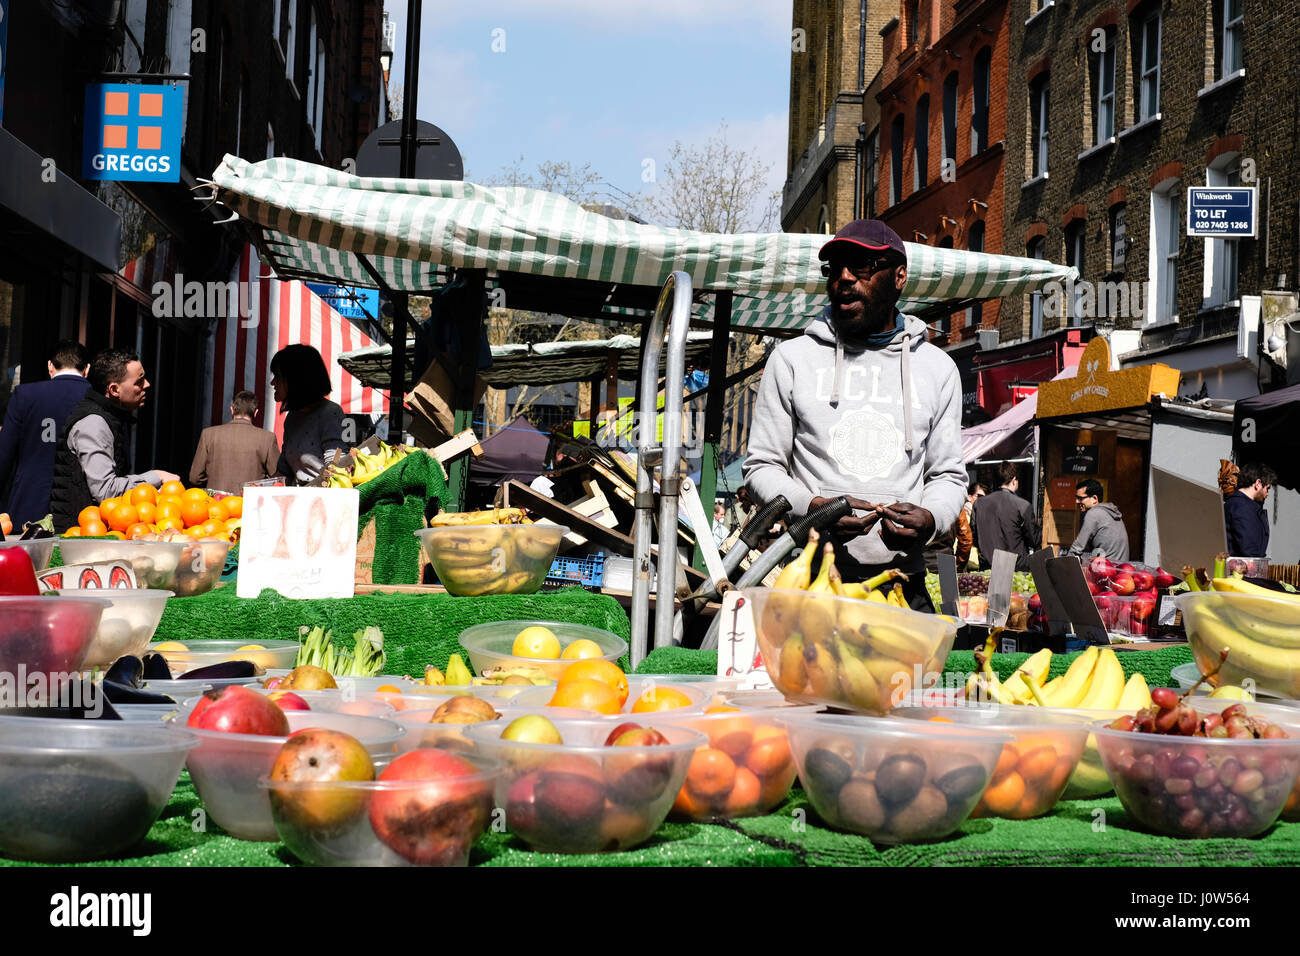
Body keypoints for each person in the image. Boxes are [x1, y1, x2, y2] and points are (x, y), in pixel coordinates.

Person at [744, 219, 967, 610]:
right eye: (836, 268)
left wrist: (930, 518)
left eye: (862, 265)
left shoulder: (937, 368)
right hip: (811, 580)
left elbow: (947, 474)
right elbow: (762, 467)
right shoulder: (792, 359)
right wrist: (815, 510)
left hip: (902, 586)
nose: (844, 278)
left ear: (898, 277)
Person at [50, 348, 179, 533]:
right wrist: (156, 477)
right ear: (114, 390)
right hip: (80, 537)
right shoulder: (94, 423)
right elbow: (106, 490)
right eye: (139, 382)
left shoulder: (110, 417)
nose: (147, 385)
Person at [0, 341, 92, 531]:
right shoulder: (96, 398)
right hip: (83, 514)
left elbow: (4, 454)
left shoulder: (26, 395)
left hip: (29, 504)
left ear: (50, 366)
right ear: (87, 369)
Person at [269, 344, 349, 485]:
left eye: (278, 376)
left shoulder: (331, 413)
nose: (272, 383)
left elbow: (337, 464)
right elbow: (284, 470)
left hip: (322, 500)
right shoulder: (292, 417)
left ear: (296, 379)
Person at [188, 389, 281, 492]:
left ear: (232, 410)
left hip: (216, 504)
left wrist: (214, 480)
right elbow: (278, 479)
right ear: (255, 413)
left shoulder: (208, 434)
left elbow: (195, 477)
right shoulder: (268, 438)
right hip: (249, 505)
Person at [972, 462, 1039, 571]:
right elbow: (1033, 539)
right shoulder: (1022, 505)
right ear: (1014, 480)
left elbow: (975, 536)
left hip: (988, 566)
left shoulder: (979, 504)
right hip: (1016, 568)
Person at [1065, 478, 1129, 562]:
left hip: (1105, 570)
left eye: (1080, 498)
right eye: (1076, 497)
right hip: (1120, 569)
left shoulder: (1093, 513)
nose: (1077, 501)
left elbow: (1077, 548)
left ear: (1094, 499)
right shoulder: (1111, 513)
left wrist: (1064, 567)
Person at [1223, 461, 1275, 558]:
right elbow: (1249, 549)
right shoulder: (1243, 507)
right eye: (1267, 488)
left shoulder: (1237, 504)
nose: (1267, 493)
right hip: (1242, 570)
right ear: (1258, 483)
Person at [954, 480, 986, 570]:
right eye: (979, 496)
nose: (982, 500)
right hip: (965, 564)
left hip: (979, 564)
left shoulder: (985, 517)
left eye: (984, 497)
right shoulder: (961, 514)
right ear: (969, 497)